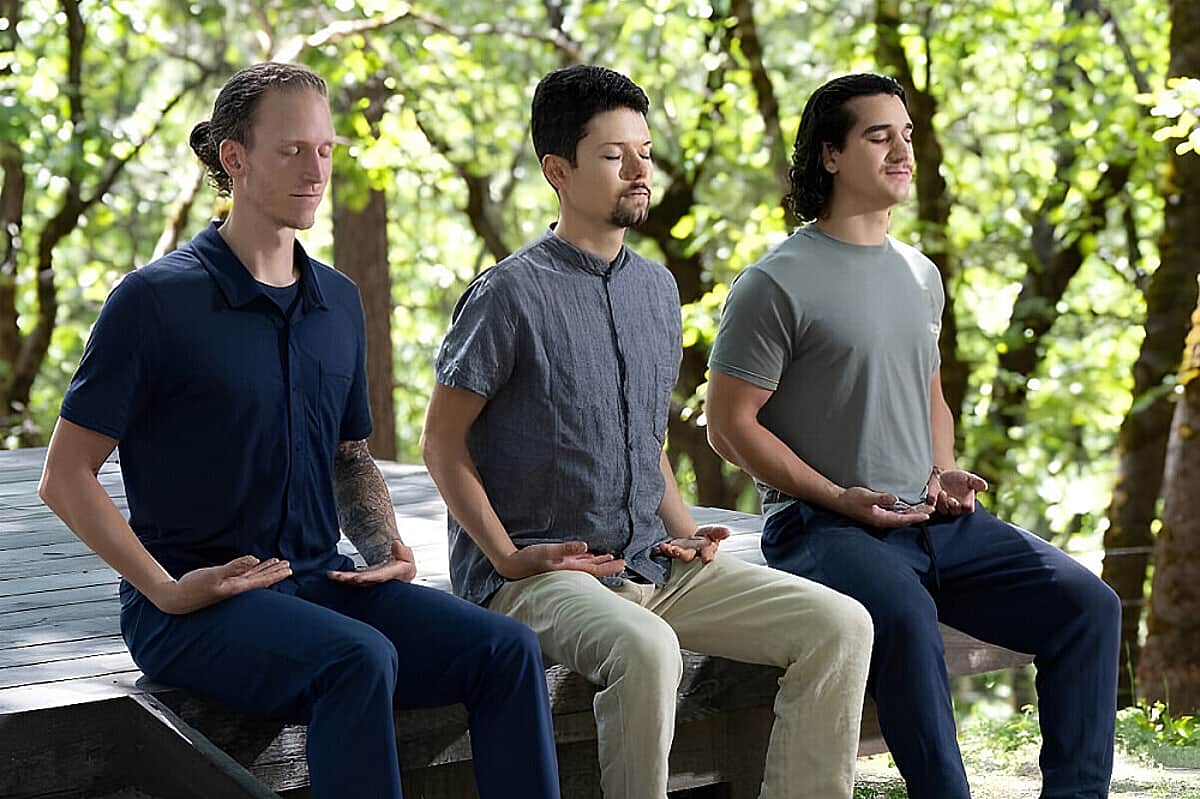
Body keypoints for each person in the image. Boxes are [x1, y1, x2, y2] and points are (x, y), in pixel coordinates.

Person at [38, 62, 559, 799]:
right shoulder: (152, 302)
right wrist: (165, 589)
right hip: (195, 606)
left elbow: (348, 454)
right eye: (291, 150)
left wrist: (385, 545)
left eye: (325, 149)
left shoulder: (338, 302)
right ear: (235, 157)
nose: (316, 171)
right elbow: (64, 475)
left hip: (320, 580)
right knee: (359, 660)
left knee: (507, 648)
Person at [421, 63, 873, 799]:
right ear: (558, 171)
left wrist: (686, 531)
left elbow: (643, 440)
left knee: (840, 624)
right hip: (543, 575)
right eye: (614, 155)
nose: (639, 170)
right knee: (650, 649)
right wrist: (507, 558)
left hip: (652, 563)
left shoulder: (657, 289)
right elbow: (441, 443)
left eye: (645, 151)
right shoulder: (507, 294)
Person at [705, 72, 1121, 799]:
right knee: (904, 617)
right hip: (823, 527)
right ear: (831, 154)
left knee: (1090, 606)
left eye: (906, 135)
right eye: (879, 137)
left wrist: (943, 468)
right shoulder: (775, 283)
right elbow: (728, 426)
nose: (902, 151)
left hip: (933, 520)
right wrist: (837, 495)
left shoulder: (919, 274)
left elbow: (930, 394)